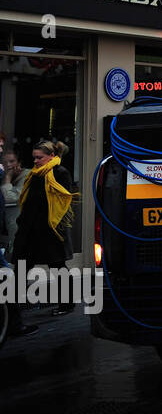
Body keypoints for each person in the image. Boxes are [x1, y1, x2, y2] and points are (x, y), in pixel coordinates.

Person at [11, 140, 78, 332]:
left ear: (51, 156)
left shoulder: (59, 172)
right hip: (30, 230)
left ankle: (67, 303)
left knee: (57, 266)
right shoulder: (35, 174)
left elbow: (62, 202)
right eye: (34, 157)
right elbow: (29, 202)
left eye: (39, 157)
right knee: (21, 269)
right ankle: (13, 313)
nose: (35, 161)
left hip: (49, 230)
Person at [1, 150, 29, 259]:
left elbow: (11, 198)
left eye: (12, 161)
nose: (8, 165)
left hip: (20, 229)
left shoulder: (27, 176)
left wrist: (7, 179)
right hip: (7, 229)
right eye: (5, 162)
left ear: (19, 163)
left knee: (20, 259)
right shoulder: (3, 176)